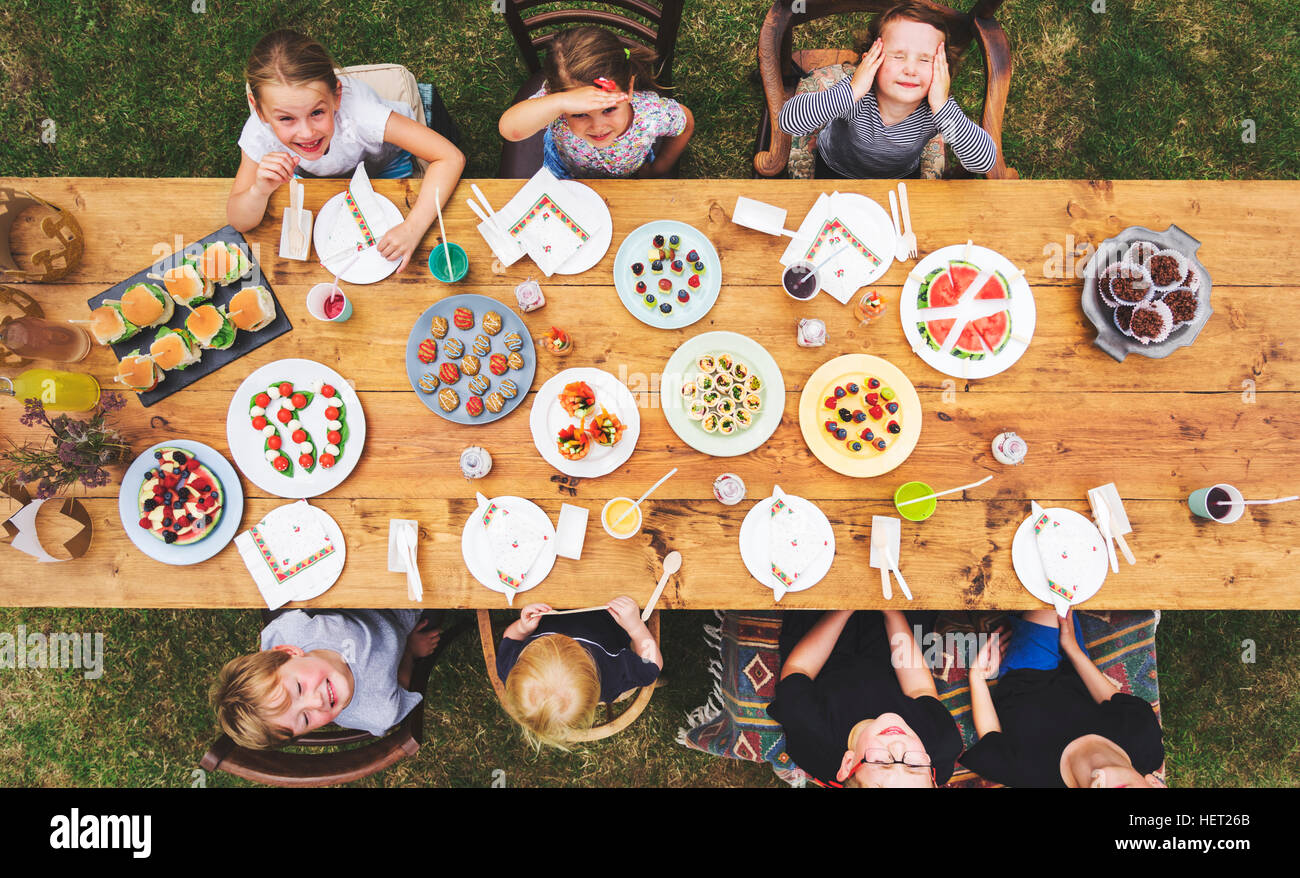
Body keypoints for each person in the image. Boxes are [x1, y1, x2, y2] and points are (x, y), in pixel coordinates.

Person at [226, 29, 465, 271]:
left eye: (317, 113)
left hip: (382, 165)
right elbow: (239, 221)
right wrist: (259, 191)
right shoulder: (259, 132)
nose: (307, 133)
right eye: (287, 119)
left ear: (337, 97)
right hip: (314, 178)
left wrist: (412, 228)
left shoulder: (362, 114)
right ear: (260, 111)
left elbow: (450, 157)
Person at [777, 0, 996, 178]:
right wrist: (852, 91)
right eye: (898, 56)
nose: (910, 69)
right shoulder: (854, 98)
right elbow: (789, 121)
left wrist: (941, 107)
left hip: (900, 177)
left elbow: (983, 162)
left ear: (942, 70)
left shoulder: (936, 113)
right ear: (871, 62)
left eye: (926, 60)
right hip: (834, 167)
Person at [961, 608, 1166, 788]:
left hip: (1025, 677)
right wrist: (1073, 649)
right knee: (1062, 595)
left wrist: (976, 677)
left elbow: (991, 738)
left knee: (1047, 600)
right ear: (1155, 784)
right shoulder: (1145, 745)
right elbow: (1112, 699)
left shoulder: (1034, 778)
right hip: (1074, 672)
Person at [767, 609, 961, 787]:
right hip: (893, 661)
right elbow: (920, 688)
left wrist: (844, 608)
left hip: (823, 657)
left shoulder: (812, 736)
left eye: (881, 761)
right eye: (914, 766)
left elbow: (799, 669)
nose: (898, 745)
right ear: (932, 777)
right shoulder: (941, 745)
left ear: (848, 763)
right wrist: (893, 614)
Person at [211, 609, 441, 750]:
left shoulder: (292, 629)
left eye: (299, 688)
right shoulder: (379, 711)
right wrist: (410, 651)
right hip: (406, 619)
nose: (316, 702)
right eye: (305, 719)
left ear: (290, 652)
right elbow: (402, 683)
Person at [498, 26, 694, 179]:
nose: (598, 127)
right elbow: (510, 130)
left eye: (609, 109)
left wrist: (659, 167)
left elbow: (686, 123)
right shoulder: (557, 106)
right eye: (580, 113)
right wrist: (560, 103)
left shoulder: (650, 114)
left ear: (629, 88)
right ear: (553, 96)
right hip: (564, 174)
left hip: (626, 179)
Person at [498, 597, 662, 750]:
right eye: (575, 647)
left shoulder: (514, 672)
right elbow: (651, 667)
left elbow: (511, 639)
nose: (566, 636)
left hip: (552, 601)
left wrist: (522, 628)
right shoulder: (610, 675)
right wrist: (635, 627)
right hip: (610, 611)